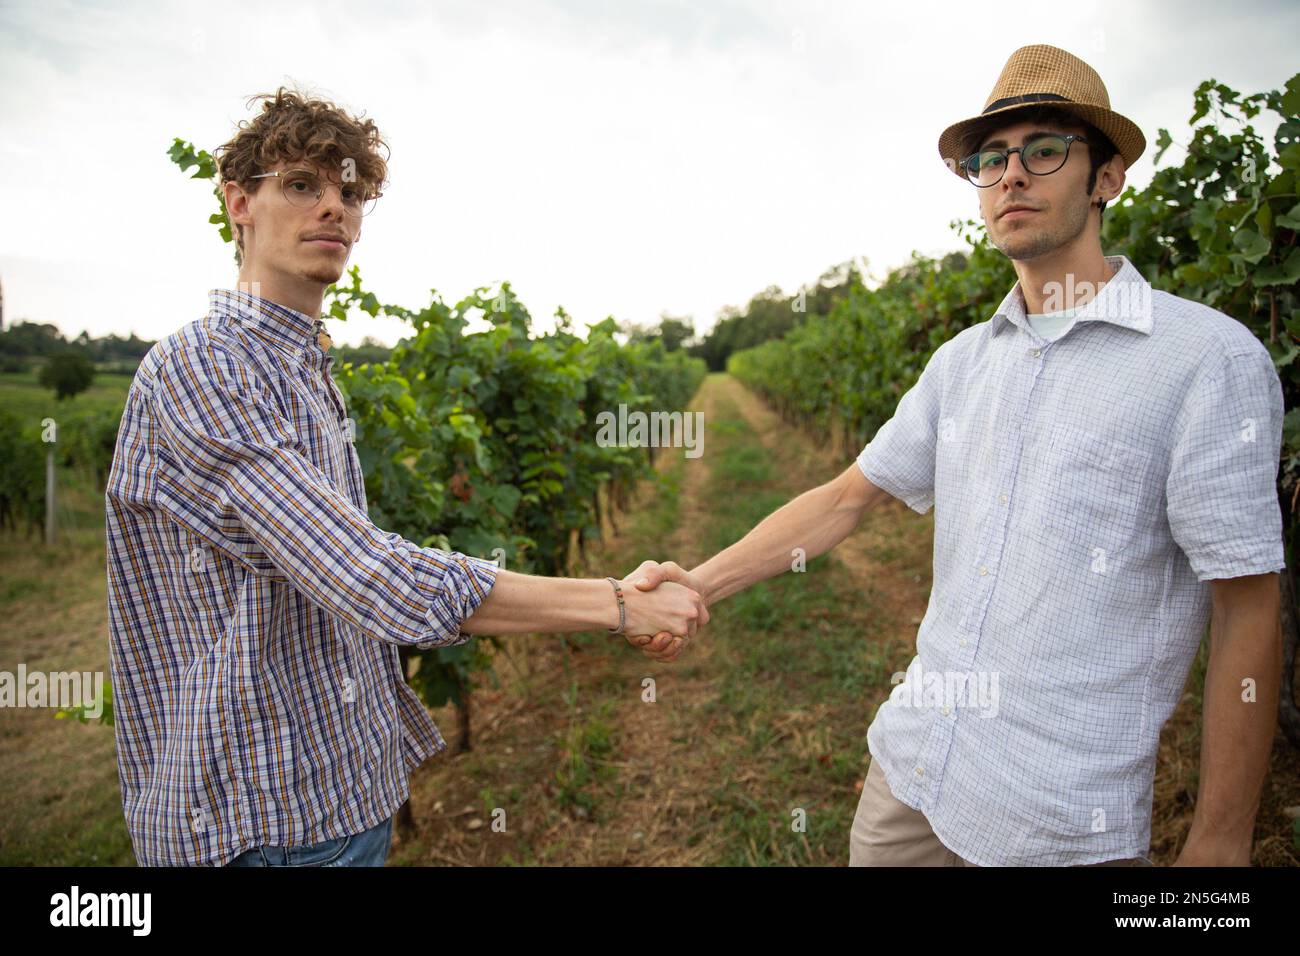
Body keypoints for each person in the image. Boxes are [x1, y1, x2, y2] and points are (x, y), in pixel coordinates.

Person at [634, 44, 1285, 867]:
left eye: (1044, 149)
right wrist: (700, 583)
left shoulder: (1204, 363)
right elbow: (846, 499)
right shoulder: (962, 363)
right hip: (914, 767)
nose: (1011, 175)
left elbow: (1247, 603)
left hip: (1056, 820)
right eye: (990, 159)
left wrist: (1220, 844)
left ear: (1107, 177)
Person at [104, 88, 706, 867]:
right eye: (301, 185)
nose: (334, 209)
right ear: (237, 202)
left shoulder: (305, 368)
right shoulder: (204, 366)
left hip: (341, 792)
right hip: (260, 825)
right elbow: (367, 576)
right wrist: (616, 604)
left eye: (350, 193)